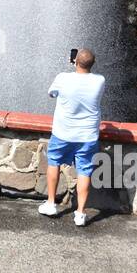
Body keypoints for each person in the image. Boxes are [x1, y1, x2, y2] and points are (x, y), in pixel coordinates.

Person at [40, 48, 105, 227]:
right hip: (88, 136)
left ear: (75, 61)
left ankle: (51, 204)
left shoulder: (63, 78)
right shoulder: (100, 80)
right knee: (84, 171)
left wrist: (71, 68)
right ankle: (80, 214)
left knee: (54, 162)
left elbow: (51, 93)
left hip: (63, 133)